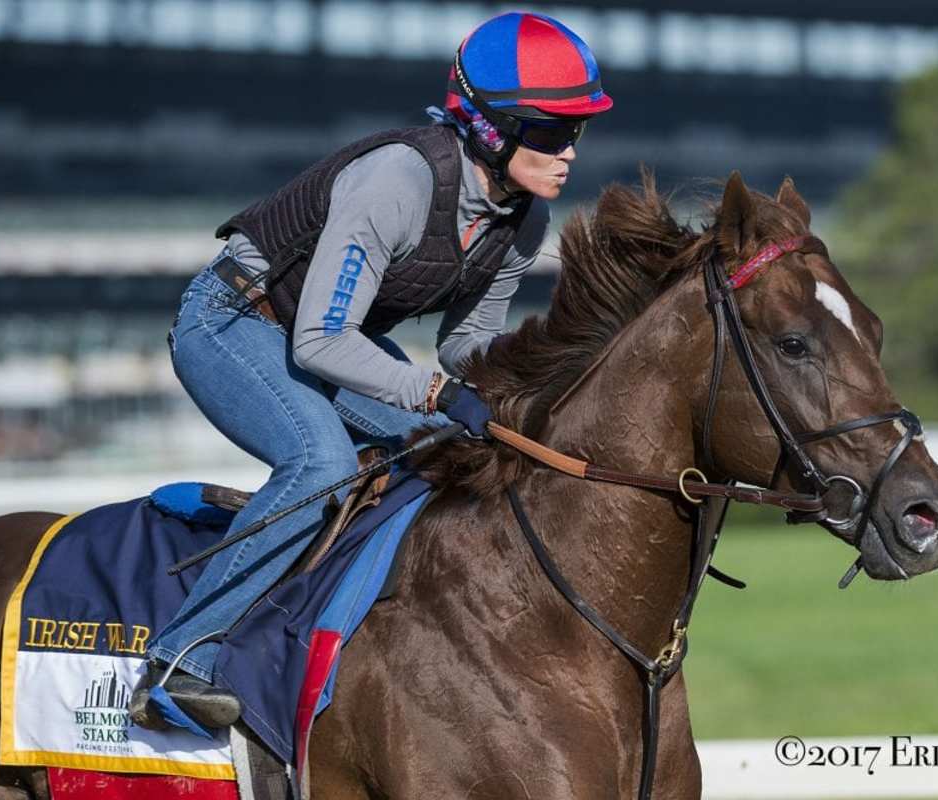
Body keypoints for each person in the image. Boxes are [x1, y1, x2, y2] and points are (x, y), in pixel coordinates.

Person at [130, 10, 613, 732]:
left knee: (455, 447)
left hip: (317, 336)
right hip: (233, 323)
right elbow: (322, 343)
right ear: (489, 127)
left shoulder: (525, 221)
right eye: (548, 131)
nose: (567, 152)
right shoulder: (398, 179)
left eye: (575, 132)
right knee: (322, 462)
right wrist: (440, 392)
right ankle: (177, 662)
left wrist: (523, 395)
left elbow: (468, 345)